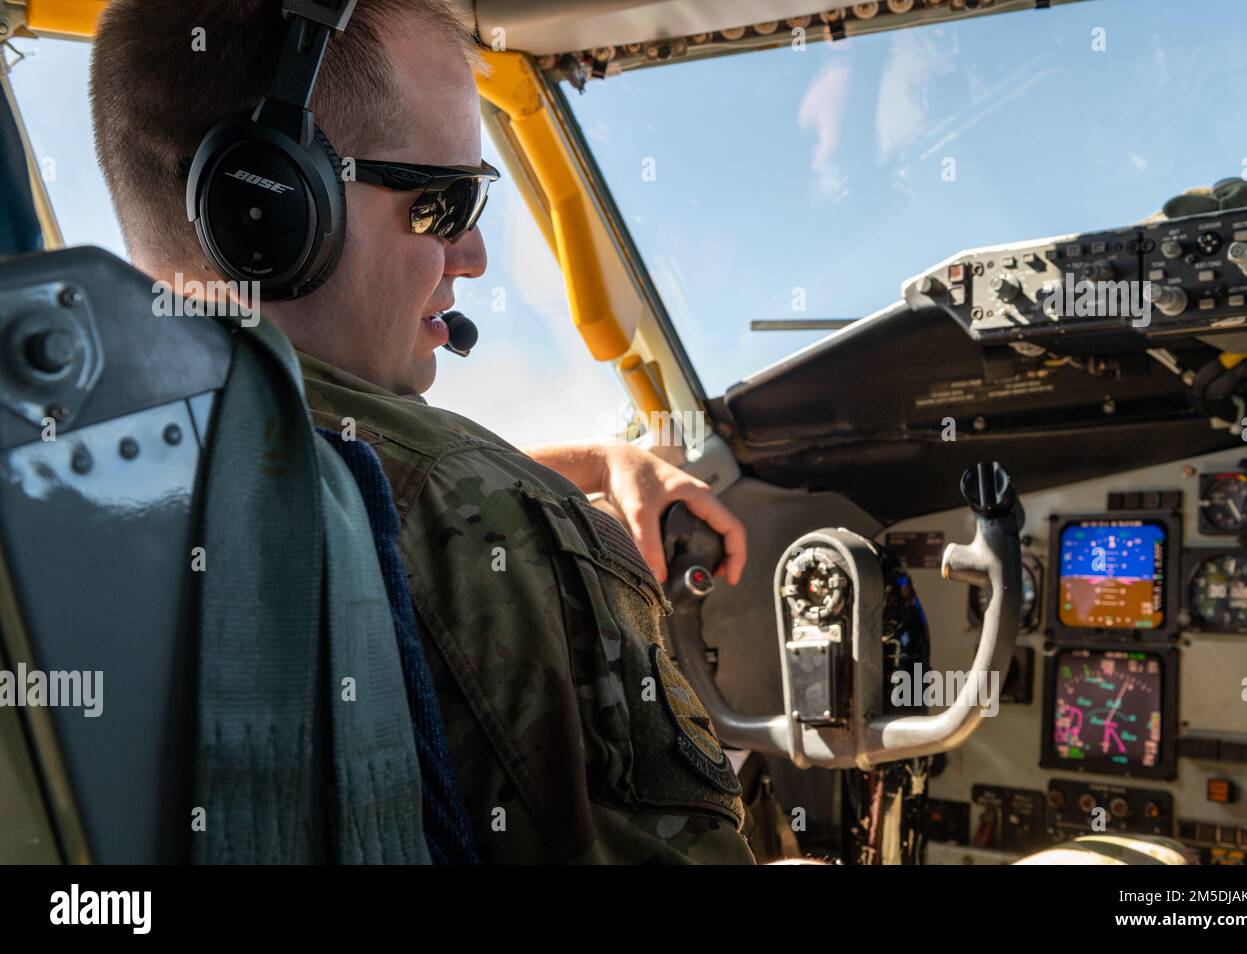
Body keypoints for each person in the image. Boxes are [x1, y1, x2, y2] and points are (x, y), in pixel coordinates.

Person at [90, 0, 754, 863]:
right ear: (270, 203)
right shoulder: (511, 531)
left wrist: (597, 460)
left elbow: (349, 473)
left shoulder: (74, 450)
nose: (474, 255)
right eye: (444, 202)